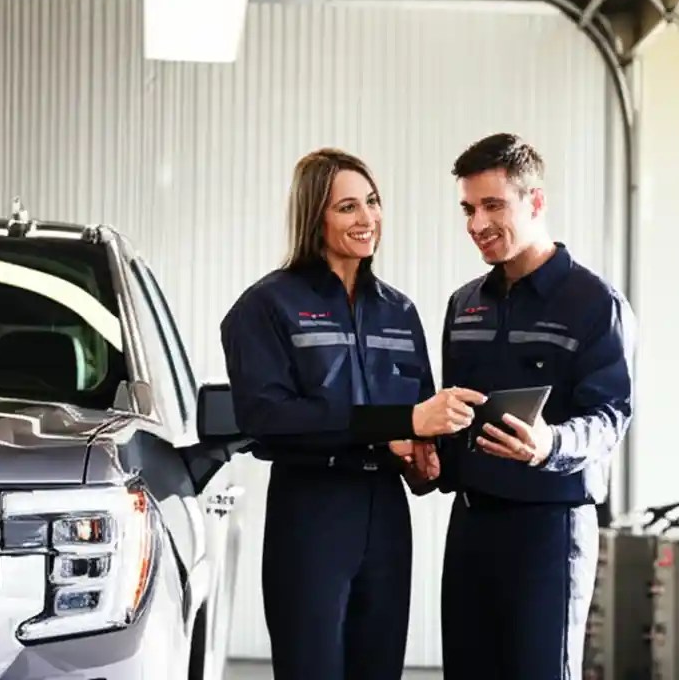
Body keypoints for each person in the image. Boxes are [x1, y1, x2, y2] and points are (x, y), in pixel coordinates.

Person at [220, 147, 480, 680]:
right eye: (347, 207)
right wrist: (401, 423)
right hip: (313, 513)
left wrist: (421, 461)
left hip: (385, 515)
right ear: (315, 215)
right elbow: (267, 419)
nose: (367, 219)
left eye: (373, 202)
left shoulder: (400, 312)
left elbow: (419, 417)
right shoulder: (266, 306)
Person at [435, 133, 636, 679]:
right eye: (468, 209)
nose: (477, 224)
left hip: (551, 530)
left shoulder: (595, 304)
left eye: (493, 205)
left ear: (536, 202)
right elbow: (457, 418)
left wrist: (551, 444)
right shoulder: (464, 305)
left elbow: (610, 415)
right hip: (473, 525)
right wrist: (431, 459)